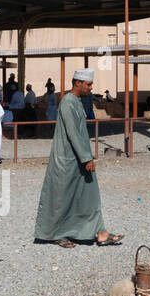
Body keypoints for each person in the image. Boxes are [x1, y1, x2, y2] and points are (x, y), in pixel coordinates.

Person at [34, 69, 122, 248]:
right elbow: (73, 134)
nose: (91, 88)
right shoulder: (67, 103)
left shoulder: (77, 102)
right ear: (77, 83)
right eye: (88, 85)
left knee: (88, 195)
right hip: (68, 159)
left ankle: (99, 232)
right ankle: (55, 234)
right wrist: (86, 158)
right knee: (62, 199)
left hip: (78, 158)